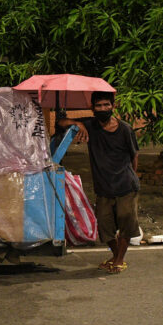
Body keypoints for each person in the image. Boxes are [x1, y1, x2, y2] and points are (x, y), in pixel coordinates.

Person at [58, 91, 139, 272]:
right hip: (103, 187)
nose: (103, 109)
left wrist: (133, 176)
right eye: (99, 106)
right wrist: (78, 123)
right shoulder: (90, 125)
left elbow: (135, 155)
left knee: (126, 222)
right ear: (92, 108)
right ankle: (116, 255)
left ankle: (118, 260)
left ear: (113, 106)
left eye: (106, 105)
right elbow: (60, 122)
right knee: (104, 225)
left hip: (126, 185)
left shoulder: (125, 129)